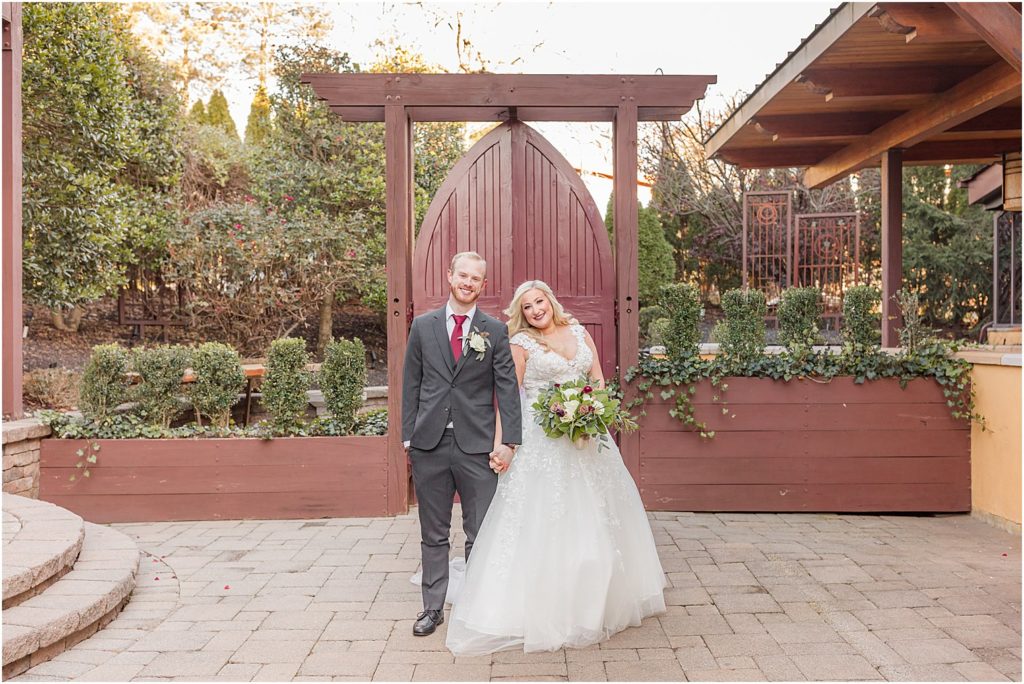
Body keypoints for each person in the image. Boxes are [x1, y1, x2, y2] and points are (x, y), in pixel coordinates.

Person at [444, 280, 667, 655]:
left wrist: (591, 410)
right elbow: (509, 398)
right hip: (540, 439)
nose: (535, 309)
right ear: (522, 314)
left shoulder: (578, 332)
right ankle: (539, 603)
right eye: (527, 307)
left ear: (550, 300)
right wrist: (504, 443)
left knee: (597, 515)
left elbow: (595, 377)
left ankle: (597, 596)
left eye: (539, 301)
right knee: (543, 518)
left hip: (585, 436)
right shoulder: (521, 344)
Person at [401, 251, 522, 637]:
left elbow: (507, 388)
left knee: (480, 531)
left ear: (483, 286)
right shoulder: (423, 327)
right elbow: (411, 384)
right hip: (430, 444)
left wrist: (510, 443)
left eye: (476, 279)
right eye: (463, 275)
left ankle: (479, 606)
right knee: (433, 532)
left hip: (477, 445)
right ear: (450, 276)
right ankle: (432, 608)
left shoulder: (495, 331)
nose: (468, 283)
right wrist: (409, 436)